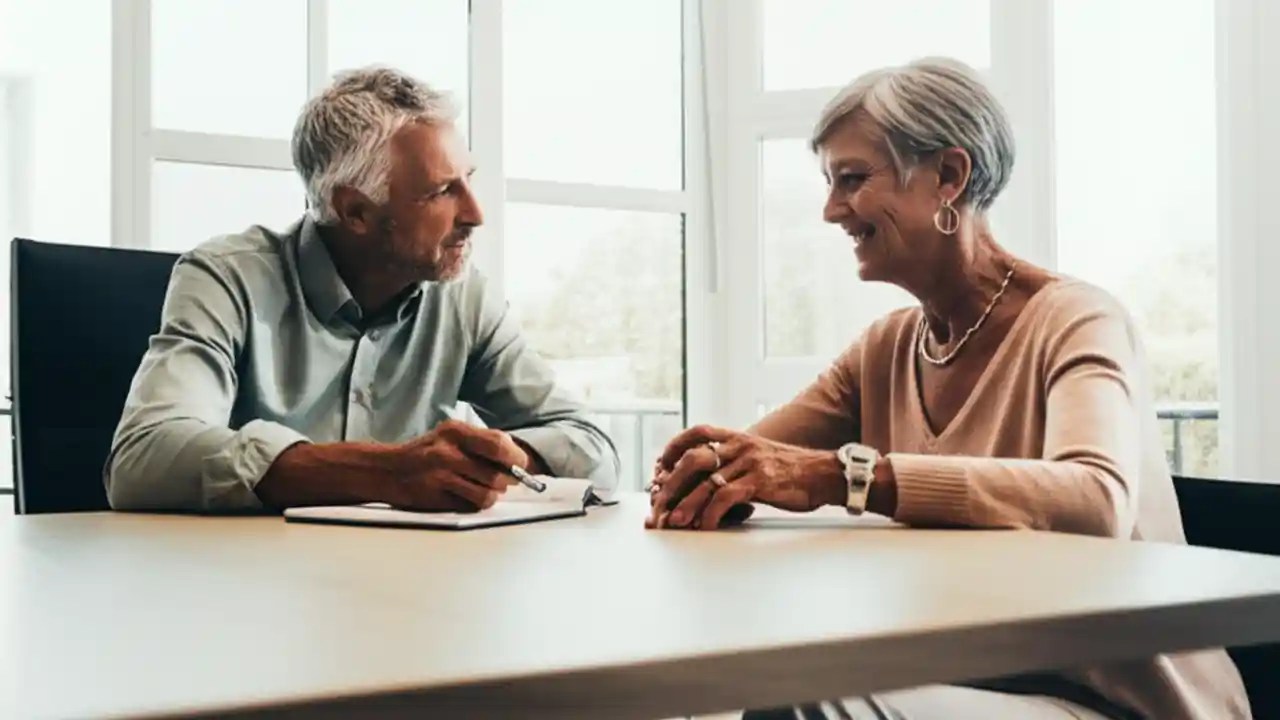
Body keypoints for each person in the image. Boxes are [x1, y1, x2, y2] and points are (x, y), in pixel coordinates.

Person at [647, 58, 1249, 720]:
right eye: (829, 183)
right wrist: (710, 475)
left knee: (803, 706)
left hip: (1119, 700)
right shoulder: (884, 349)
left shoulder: (1078, 320)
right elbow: (753, 462)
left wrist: (844, 478)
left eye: (853, 179)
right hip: (979, 685)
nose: (830, 210)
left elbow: (1094, 498)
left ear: (949, 178)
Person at [106, 66, 619, 513]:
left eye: (468, 179)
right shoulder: (226, 278)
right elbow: (143, 458)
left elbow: (592, 449)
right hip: (244, 583)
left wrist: (496, 460)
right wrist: (386, 473)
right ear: (355, 211)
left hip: (412, 584)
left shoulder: (464, 300)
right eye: (443, 191)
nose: (475, 214)